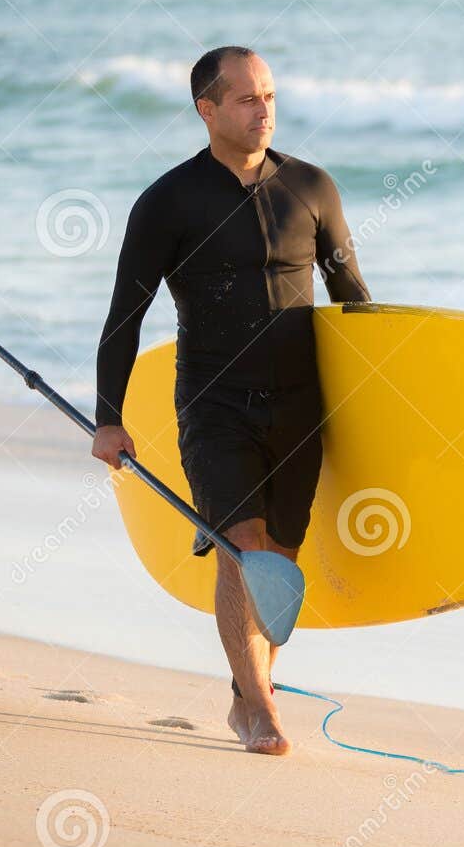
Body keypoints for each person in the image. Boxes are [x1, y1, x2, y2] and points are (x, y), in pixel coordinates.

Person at [91, 46, 371, 755]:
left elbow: (355, 305)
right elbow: (125, 316)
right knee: (241, 552)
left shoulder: (312, 188)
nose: (263, 110)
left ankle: (248, 690)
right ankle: (263, 708)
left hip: (300, 405)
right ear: (207, 109)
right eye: (246, 99)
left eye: (270, 95)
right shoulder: (168, 202)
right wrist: (108, 418)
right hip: (214, 403)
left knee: (282, 556)